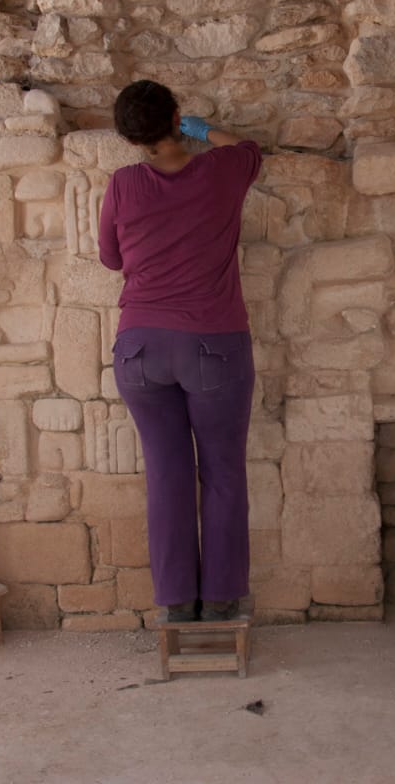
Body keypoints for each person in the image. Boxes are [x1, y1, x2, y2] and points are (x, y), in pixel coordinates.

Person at [99, 80, 262, 623]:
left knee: (166, 475)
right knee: (221, 472)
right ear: (175, 116)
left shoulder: (122, 184)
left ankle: (175, 604)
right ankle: (219, 601)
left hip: (139, 349)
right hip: (213, 344)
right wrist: (205, 130)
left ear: (128, 138)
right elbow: (248, 150)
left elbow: (110, 259)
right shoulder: (221, 171)